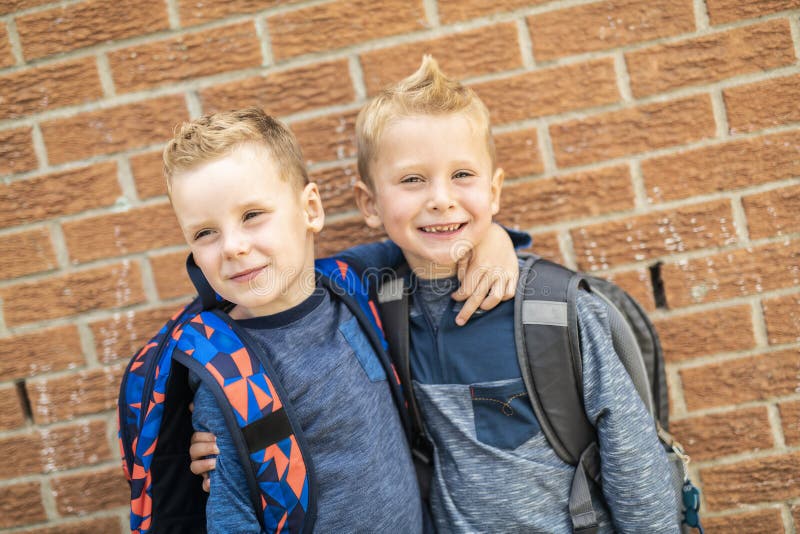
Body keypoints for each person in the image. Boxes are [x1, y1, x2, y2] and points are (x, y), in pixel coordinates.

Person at [191, 56, 679, 532]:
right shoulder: (376, 300)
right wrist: (232, 438)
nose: (441, 197)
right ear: (369, 203)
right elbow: (277, 279)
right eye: (412, 180)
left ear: (494, 190)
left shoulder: (556, 314)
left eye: (462, 175)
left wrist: (497, 237)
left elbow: (635, 463)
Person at [165, 107, 518, 533]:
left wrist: (494, 238)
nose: (233, 247)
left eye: (252, 215)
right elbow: (230, 518)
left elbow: (431, 244)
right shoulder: (226, 372)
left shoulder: (351, 283)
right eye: (205, 233)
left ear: (310, 209)